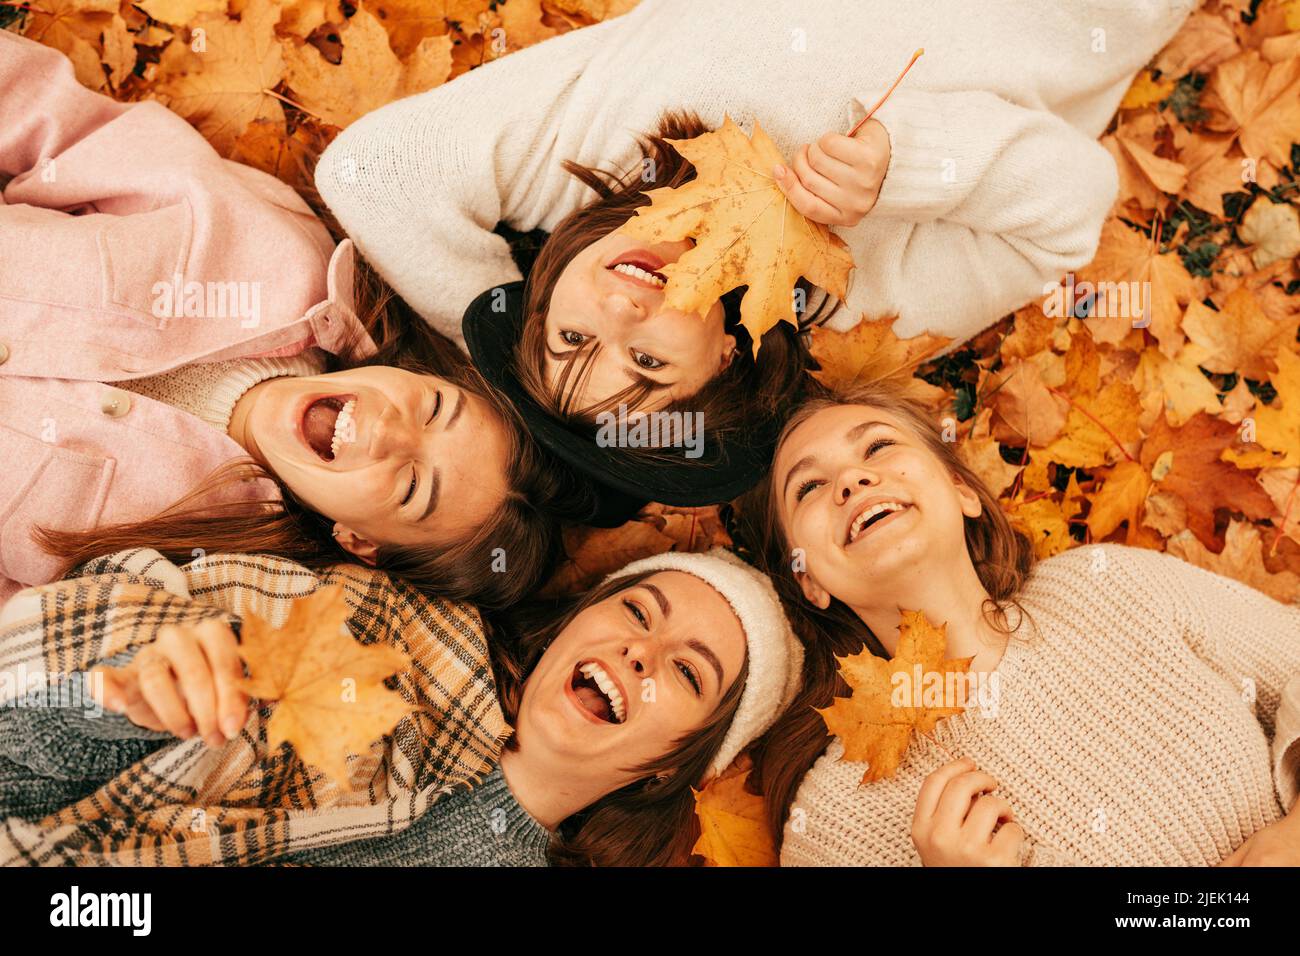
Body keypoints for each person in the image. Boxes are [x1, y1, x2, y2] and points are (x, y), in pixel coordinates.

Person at [313, 0, 1195, 521]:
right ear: (726, 362)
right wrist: (906, 164)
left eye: (571, 337)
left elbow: (370, 171)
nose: (619, 316)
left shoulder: (563, 179)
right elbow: (1070, 211)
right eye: (649, 364)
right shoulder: (847, 299)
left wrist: (518, 390)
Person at [0, 32, 565, 609]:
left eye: (413, 487)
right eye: (434, 408)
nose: (392, 431)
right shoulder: (277, 249)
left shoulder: (171, 568)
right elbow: (63, 125)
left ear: (361, 543)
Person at [735, 381, 1300, 865]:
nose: (852, 483)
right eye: (809, 487)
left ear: (962, 493)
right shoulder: (834, 817)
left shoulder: (1109, 585)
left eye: (878, 447)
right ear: (808, 580)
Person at [0, 548, 802, 867]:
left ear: (675, 762)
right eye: (636, 612)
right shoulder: (380, 641)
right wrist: (111, 709)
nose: (641, 653)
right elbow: (13, 780)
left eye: (688, 674)